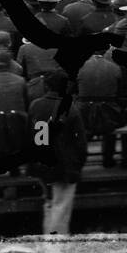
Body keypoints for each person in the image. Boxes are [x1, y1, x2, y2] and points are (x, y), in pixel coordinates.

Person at [28, 70, 87, 235]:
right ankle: (56, 246)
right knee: (61, 205)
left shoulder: (36, 105)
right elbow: (80, 143)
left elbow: (36, 137)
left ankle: (49, 239)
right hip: (64, 164)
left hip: (42, 162)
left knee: (48, 202)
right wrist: (77, 165)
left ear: (46, 86)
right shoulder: (70, 108)